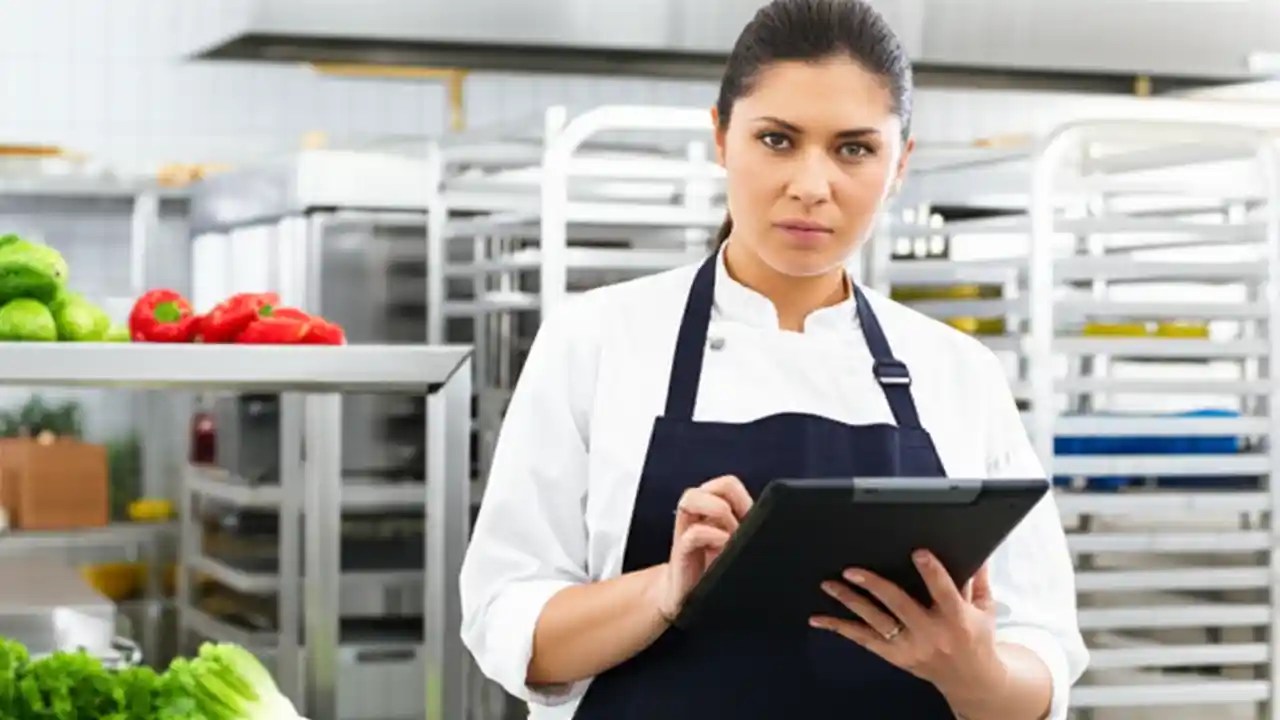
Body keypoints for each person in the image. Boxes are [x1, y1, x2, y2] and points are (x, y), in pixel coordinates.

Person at [459, 0, 1089, 717]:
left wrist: (973, 670)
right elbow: (508, 623)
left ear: (900, 165)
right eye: (778, 139)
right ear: (722, 137)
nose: (812, 186)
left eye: (854, 148)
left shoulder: (958, 372)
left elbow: (1043, 649)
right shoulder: (597, 340)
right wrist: (666, 591)